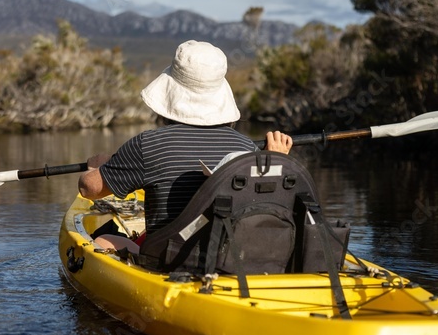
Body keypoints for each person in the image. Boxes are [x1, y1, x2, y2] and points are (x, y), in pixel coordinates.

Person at [78, 40, 293, 254]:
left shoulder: (147, 145)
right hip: (226, 258)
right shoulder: (246, 147)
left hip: (165, 260)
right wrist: (272, 162)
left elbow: (88, 189)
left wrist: (97, 168)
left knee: (105, 239)